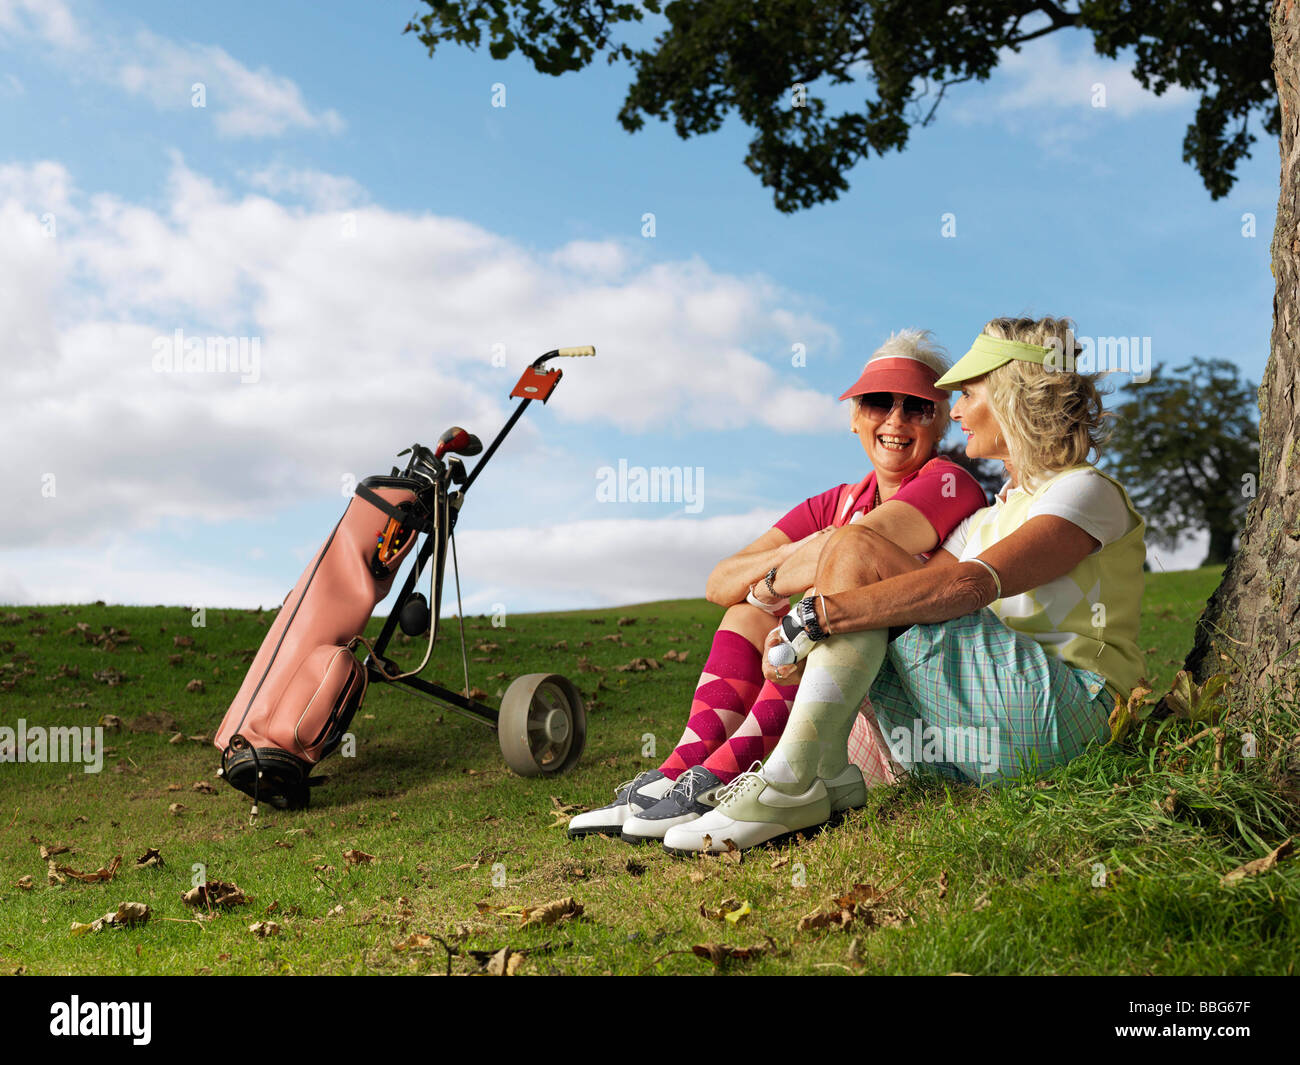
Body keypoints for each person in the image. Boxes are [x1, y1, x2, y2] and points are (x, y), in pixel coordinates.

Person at [664, 316, 1148, 854]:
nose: (956, 411)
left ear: (1012, 395)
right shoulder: (986, 518)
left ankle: (792, 778)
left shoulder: (1085, 491)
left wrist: (818, 619)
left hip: (1073, 718)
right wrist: (813, 632)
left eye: (966, 394)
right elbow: (907, 588)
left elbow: (967, 587)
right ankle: (800, 772)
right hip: (985, 731)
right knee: (867, 576)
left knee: (855, 550)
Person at [567, 330, 988, 840]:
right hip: (843, 700)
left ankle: (727, 772)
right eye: (879, 402)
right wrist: (788, 561)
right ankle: (682, 773)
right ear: (855, 417)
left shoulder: (949, 482)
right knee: (746, 614)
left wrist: (787, 570)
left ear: (941, 421)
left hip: (910, 702)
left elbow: (852, 548)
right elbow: (719, 581)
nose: (896, 420)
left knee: (821, 598)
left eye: (918, 407)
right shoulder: (837, 499)